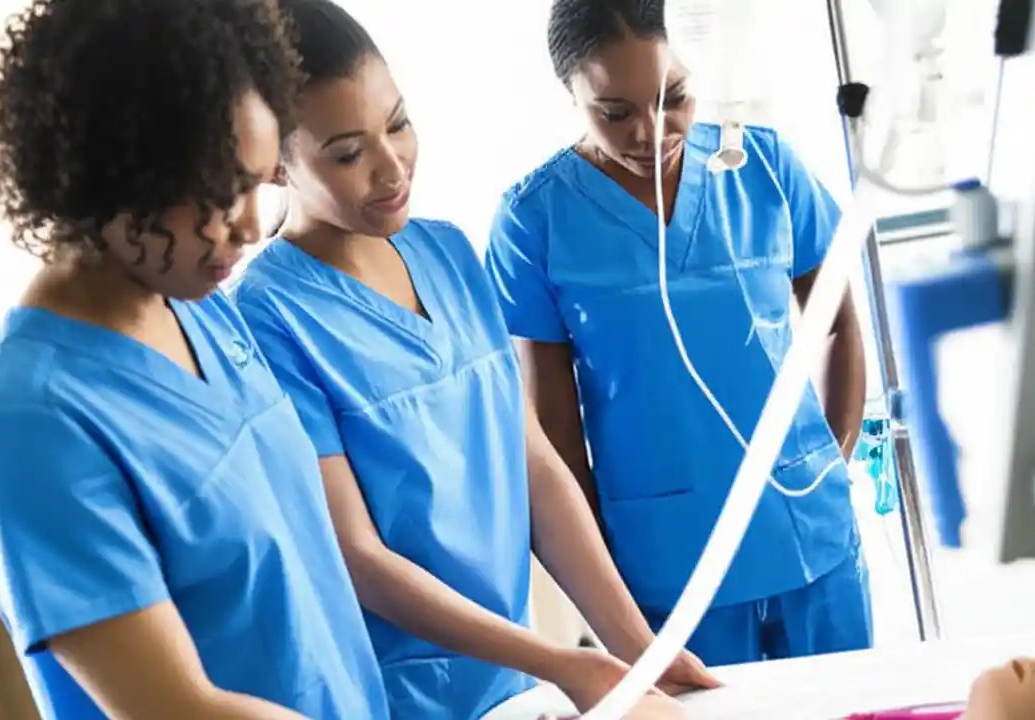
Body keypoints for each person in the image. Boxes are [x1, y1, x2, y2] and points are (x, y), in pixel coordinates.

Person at [232, 1, 718, 717]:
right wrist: (563, 662)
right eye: (348, 154)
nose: (391, 167)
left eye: (398, 124)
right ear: (273, 160)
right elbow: (359, 558)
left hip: (513, 684)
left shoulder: (449, 254)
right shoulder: (267, 319)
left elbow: (534, 466)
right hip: (400, 697)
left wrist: (638, 650)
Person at [0, 1, 388, 718]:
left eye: (258, 184)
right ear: (113, 173)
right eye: (219, 194)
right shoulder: (24, 424)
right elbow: (178, 708)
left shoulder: (199, 307)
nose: (249, 226)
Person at [484, 0, 872, 668]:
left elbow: (835, 320)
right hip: (667, 563)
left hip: (812, 537)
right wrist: (597, 574)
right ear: (572, 95)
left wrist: (828, 464)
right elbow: (552, 423)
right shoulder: (535, 219)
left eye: (675, 98)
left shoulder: (763, 166)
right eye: (615, 112)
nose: (652, 131)